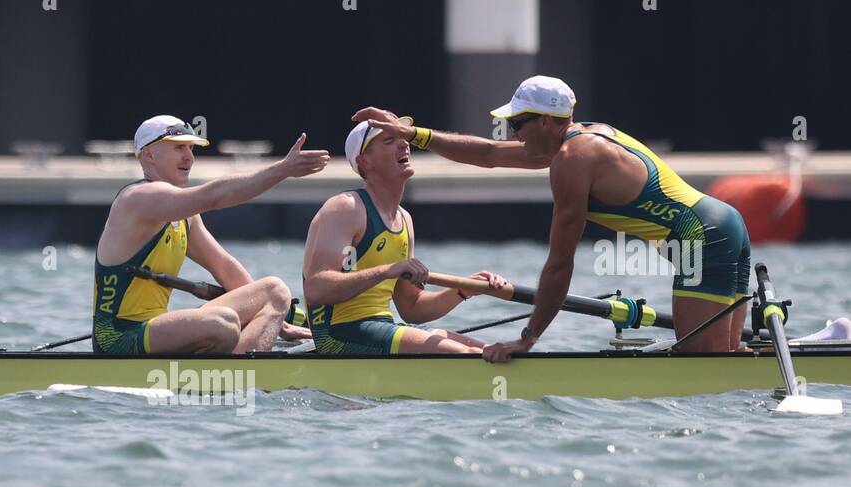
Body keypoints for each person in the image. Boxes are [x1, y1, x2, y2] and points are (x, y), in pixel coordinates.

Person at [353, 75, 752, 359]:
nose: (510, 133)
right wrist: (414, 134)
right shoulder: (586, 137)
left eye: (517, 123)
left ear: (545, 121)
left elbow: (560, 263)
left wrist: (527, 338)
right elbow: (487, 155)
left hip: (700, 239)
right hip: (726, 221)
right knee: (729, 358)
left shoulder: (571, 162)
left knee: (704, 367)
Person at [93, 115, 325, 353]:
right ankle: (235, 377)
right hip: (118, 339)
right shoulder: (137, 199)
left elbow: (224, 267)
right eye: (179, 147)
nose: (189, 157)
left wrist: (274, 319)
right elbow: (214, 197)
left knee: (274, 291)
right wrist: (282, 169)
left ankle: (246, 370)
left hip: (154, 330)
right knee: (223, 323)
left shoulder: (185, 217)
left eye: (191, 148)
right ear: (150, 155)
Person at [301, 119, 505, 354]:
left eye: (403, 139)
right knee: (469, 356)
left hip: (379, 329)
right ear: (364, 162)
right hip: (336, 336)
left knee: (492, 350)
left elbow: (412, 309)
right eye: (389, 141)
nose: (404, 145)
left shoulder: (404, 219)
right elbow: (317, 289)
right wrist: (388, 270)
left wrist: (463, 291)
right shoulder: (346, 208)